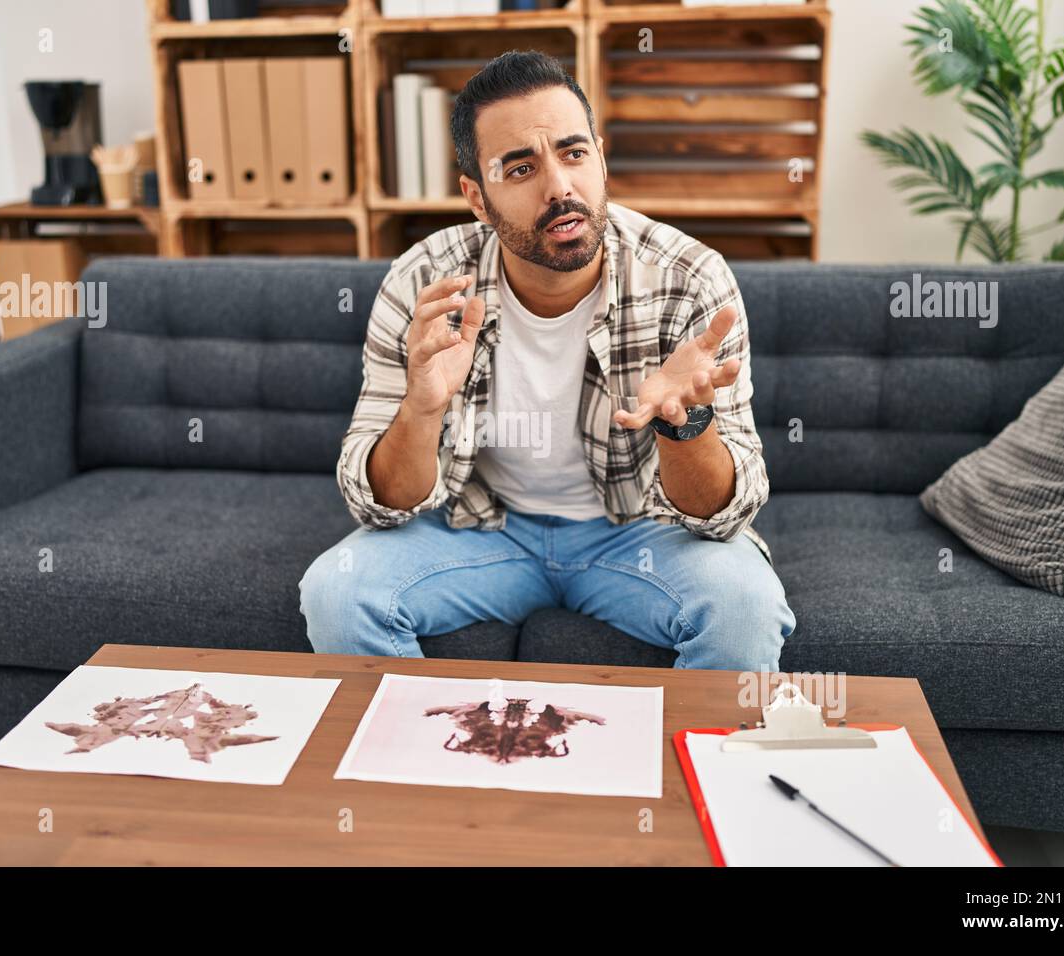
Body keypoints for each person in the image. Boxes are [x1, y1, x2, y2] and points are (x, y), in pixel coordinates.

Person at [299, 50, 795, 670]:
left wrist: (684, 426)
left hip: (640, 532)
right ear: (478, 198)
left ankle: (690, 744)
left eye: (573, 153)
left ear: (601, 158)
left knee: (744, 609)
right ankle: (417, 737)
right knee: (338, 594)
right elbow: (377, 504)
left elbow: (726, 515)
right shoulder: (424, 281)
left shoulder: (689, 279)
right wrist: (422, 409)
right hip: (481, 529)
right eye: (521, 168)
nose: (559, 186)